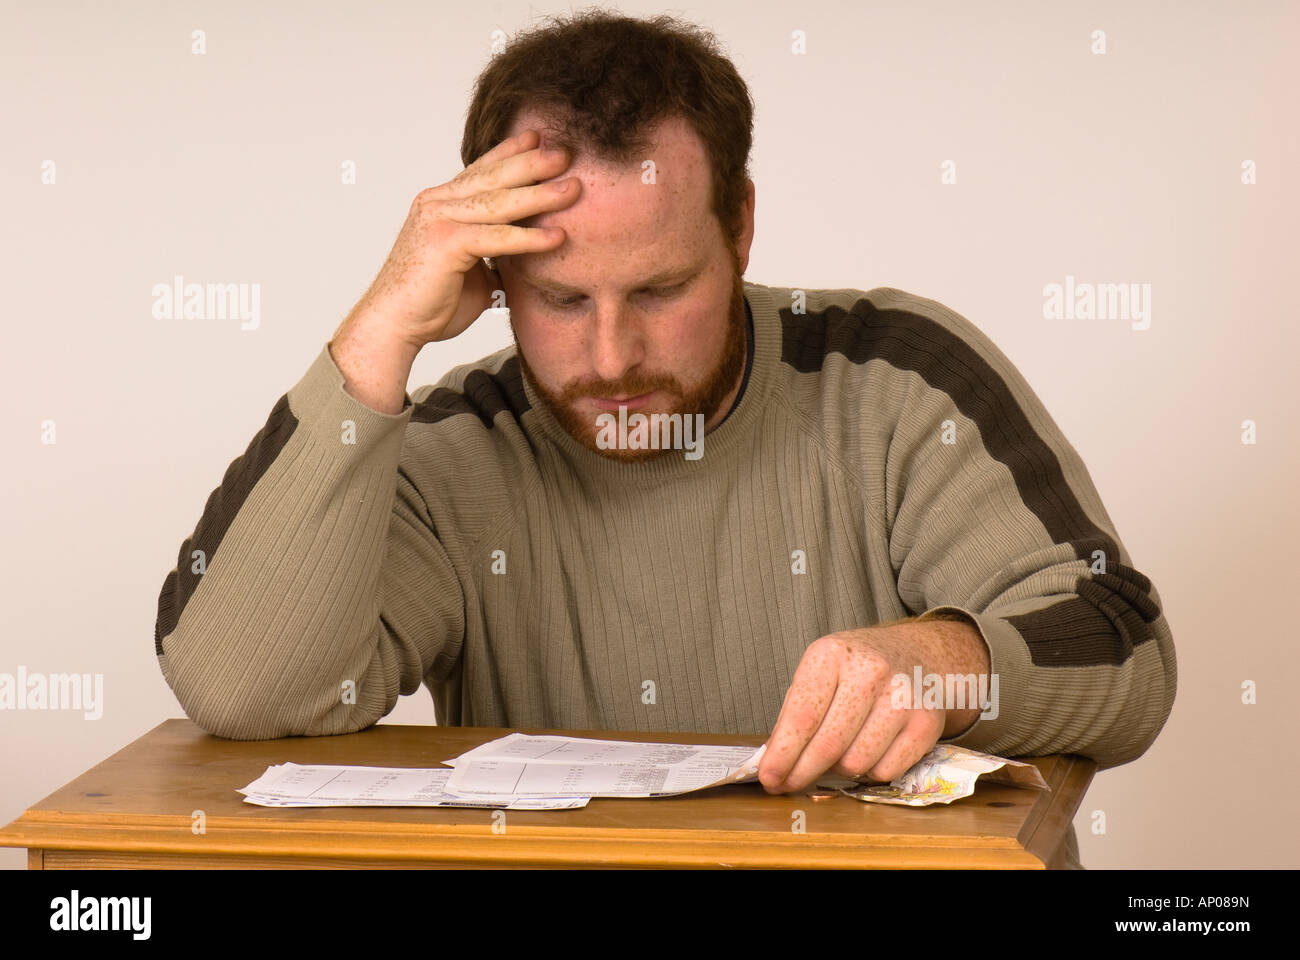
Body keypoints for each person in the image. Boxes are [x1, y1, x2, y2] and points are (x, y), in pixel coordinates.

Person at [153, 12, 1175, 869]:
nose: (611, 358)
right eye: (558, 299)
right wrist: (379, 337)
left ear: (739, 228)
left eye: (660, 289)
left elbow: (1126, 660)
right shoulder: (453, 444)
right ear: (492, 276)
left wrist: (946, 661)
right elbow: (243, 690)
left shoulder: (897, 378)